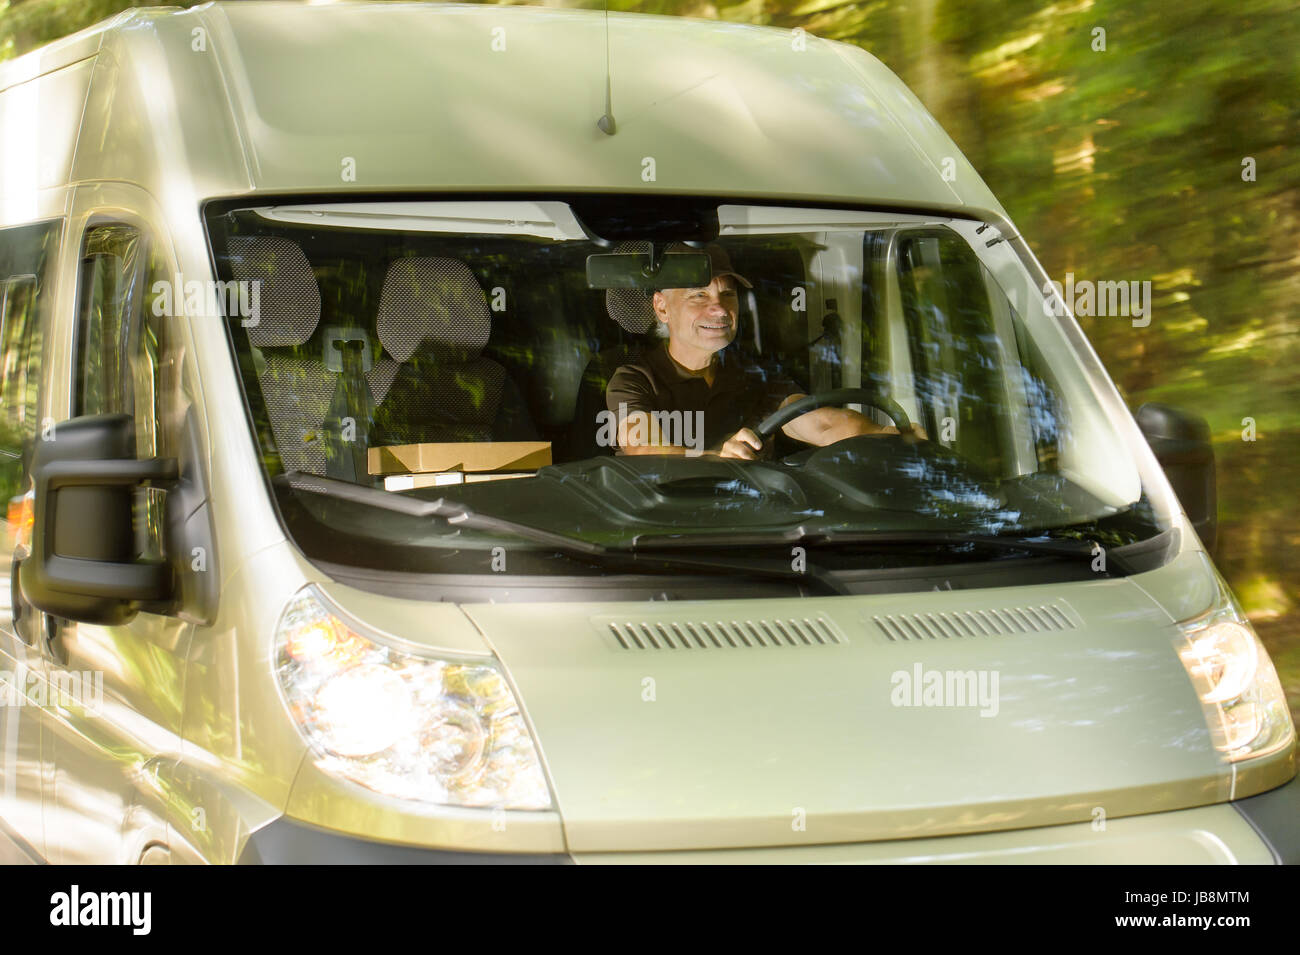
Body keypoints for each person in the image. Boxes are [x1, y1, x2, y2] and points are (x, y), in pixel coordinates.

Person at [604, 243, 918, 459]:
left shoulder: (754, 374)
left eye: (727, 293)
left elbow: (821, 423)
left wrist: (883, 435)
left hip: (755, 527)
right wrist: (717, 457)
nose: (720, 309)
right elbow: (643, 446)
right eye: (699, 295)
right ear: (661, 307)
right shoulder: (633, 379)